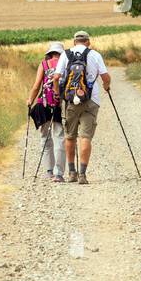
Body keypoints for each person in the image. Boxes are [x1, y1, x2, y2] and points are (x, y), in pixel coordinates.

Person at [51, 31, 111, 185]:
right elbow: (105, 76)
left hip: (71, 101)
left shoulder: (65, 54)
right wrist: (106, 86)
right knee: (85, 137)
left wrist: (58, 93)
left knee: (70, 136)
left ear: (74, 42)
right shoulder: (95, 55)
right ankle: (83, 174)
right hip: (91, 100)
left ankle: (71, 173)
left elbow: (56, 77)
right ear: (88, 42)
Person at [27, 41, 66, 183]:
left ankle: (49, 171)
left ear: (49, 53)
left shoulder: (44, 64)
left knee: (45, 137)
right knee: (59, 137)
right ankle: (59, 173)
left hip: (44, 104)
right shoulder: (65, 63)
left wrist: (30, 100)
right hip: (59, 105)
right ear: (61, 53)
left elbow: (37, 85)